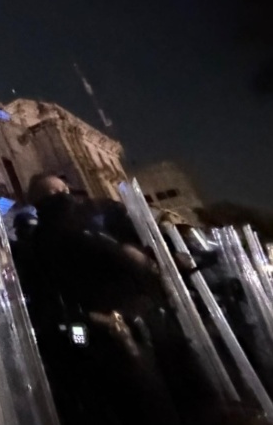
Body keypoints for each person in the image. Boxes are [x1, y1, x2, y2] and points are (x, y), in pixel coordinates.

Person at [12, 173, 183, 425]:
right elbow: (122, 261)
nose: (67, 194)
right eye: (61, 190)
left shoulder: (40, 242)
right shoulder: (78, 227)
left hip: (80, 327)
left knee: (97, 379)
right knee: (140, 392)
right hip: (107, 324)